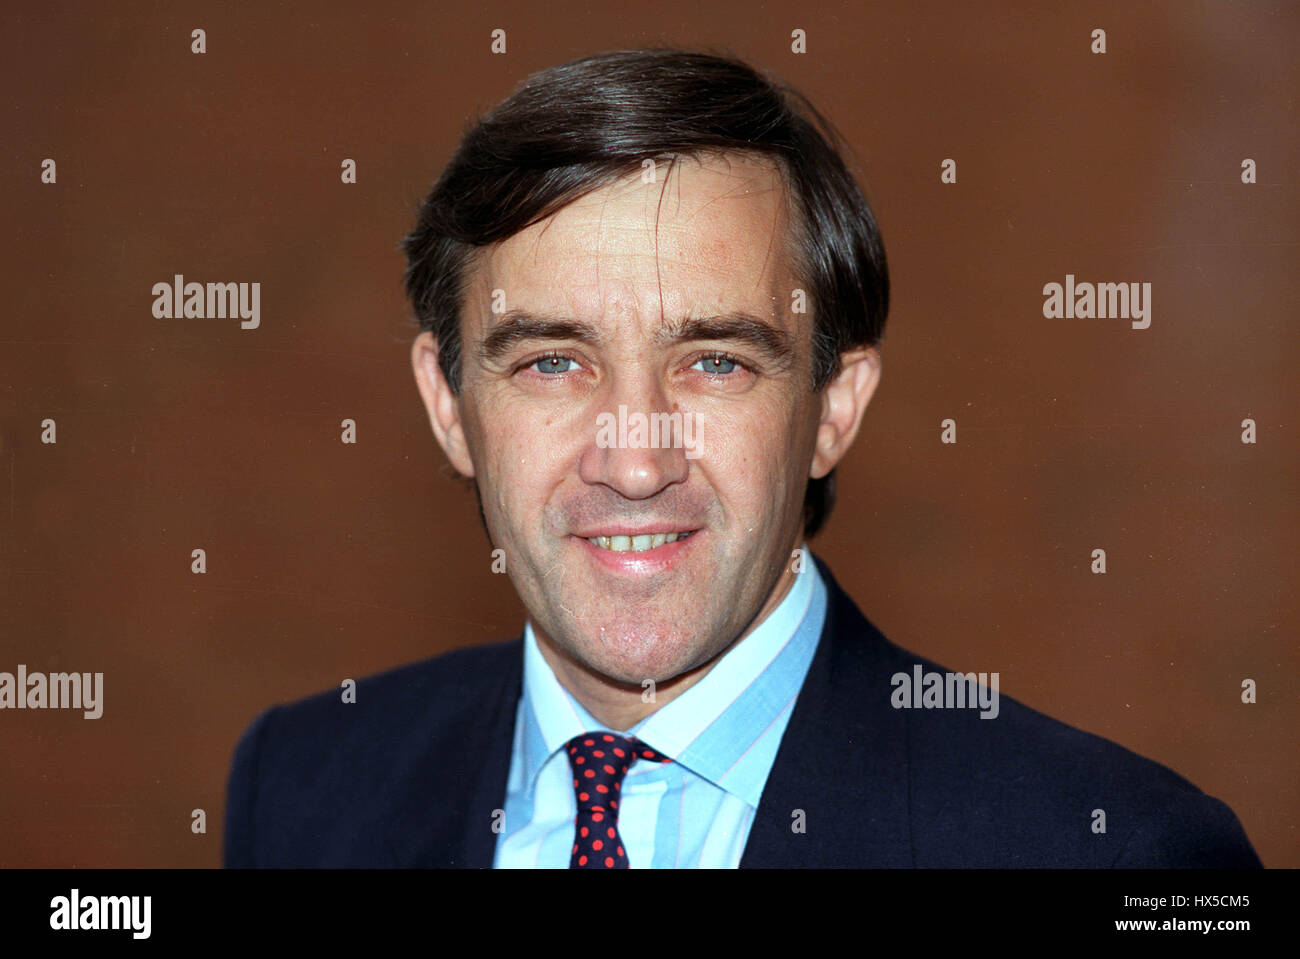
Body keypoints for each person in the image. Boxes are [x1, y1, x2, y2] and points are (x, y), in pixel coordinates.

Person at [223, 49, 1260, 868]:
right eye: (550, 363)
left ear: (832, 408)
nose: (634, 462)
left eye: (714, 362)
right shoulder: (307, 789)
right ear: (448, 404)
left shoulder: (1106, 847)